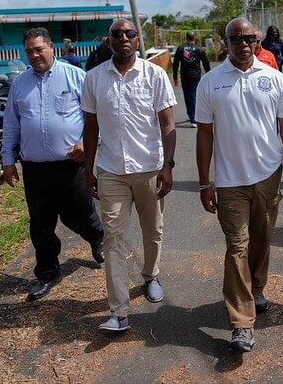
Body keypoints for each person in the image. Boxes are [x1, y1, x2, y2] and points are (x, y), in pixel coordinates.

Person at [195, 18, 283, 352]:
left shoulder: (274, 79)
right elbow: (204, 134)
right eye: (235, 38)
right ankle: (241, 322)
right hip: (230, 183)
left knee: (262, 239)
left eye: (249, 38)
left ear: (257, 41)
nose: (243, 44)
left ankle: (256, 289)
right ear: (224, 42)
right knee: (237, 246)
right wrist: (204, 182)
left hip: (268, 175)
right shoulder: (210, 83)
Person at [82, 19, 177, 333]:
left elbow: (167, 124)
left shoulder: (154, 75)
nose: (123, 37)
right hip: (111, 172)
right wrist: (89, 170)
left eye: (129, 33)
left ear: (138, 40)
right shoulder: (94, 79)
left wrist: (168, 165)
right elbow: (91, 128)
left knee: (153, 232)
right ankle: (119, 312)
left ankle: (151, 275)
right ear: (108, 40)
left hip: (150, 168)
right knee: (113, 240)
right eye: (117, 34)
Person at [1, 28, 105, 302]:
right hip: (35, 168)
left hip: (71, 164)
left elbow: (94, 117)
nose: (34, 55)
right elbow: (11, 124)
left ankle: (97, 237)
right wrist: (8, 161)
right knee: (41, 224)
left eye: (39, 49)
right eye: (29, 51)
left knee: (79, 212)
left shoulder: (75, 76)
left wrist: (86, 142)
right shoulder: (20, 84)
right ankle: (47, 273)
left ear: (51, 47)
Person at [172, 31, 211, 128]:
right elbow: (206, 62)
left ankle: (191, 116)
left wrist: (175, 77)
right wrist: (209, 75)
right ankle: (194, 118)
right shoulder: (199, 49)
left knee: (187, 96)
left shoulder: (180, 48)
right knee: (194, 95)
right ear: (195, 38)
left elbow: (175, 63)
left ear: (186, 38)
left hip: (184, 76)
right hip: (195, 76)